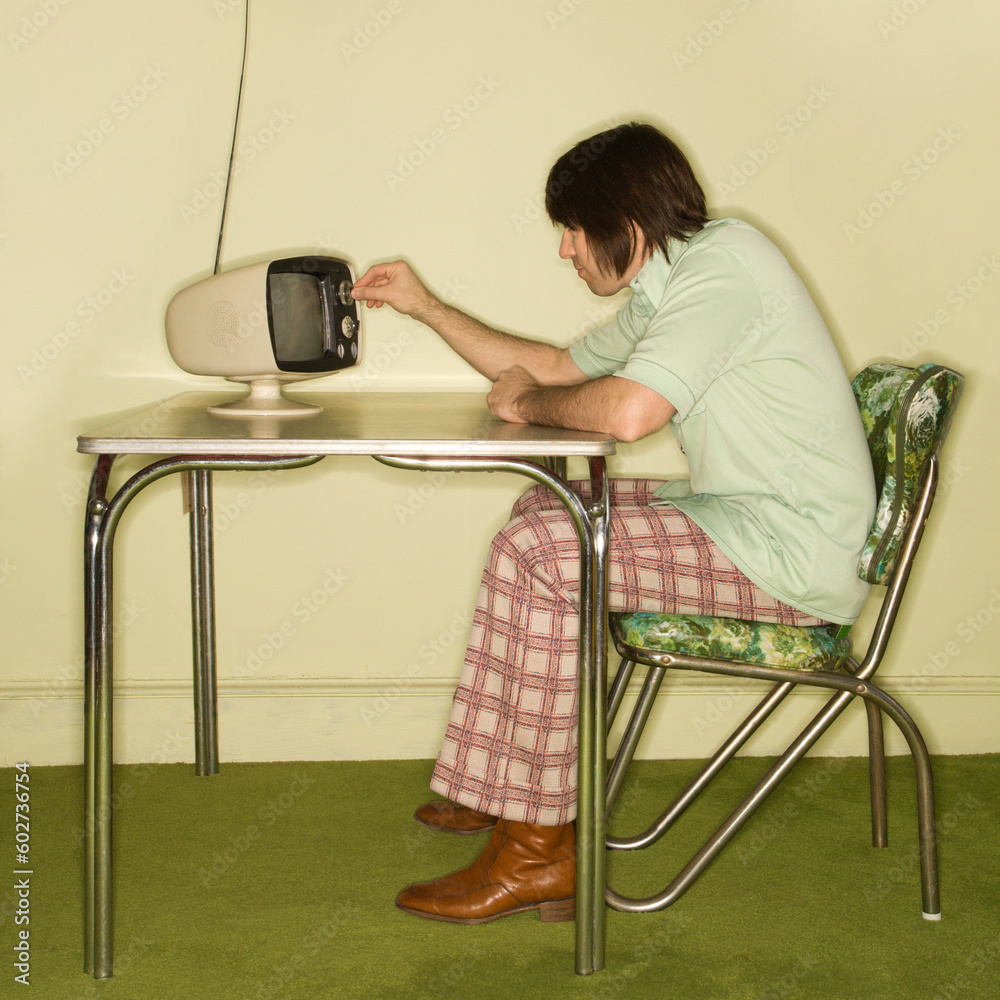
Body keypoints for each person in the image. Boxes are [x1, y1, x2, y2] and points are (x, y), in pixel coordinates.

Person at [351, 122, 876, 926]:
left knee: (541, 549)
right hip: (753, 521)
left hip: (789, 555)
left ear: (625, 231)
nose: (566, 250)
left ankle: (539, 852)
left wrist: (526, 405)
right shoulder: (678, 278)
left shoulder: (725, 269)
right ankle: (511, 793)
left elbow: (628, 413)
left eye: (573, 231)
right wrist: (426, 308)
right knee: (543, 511)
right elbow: (562, 368)